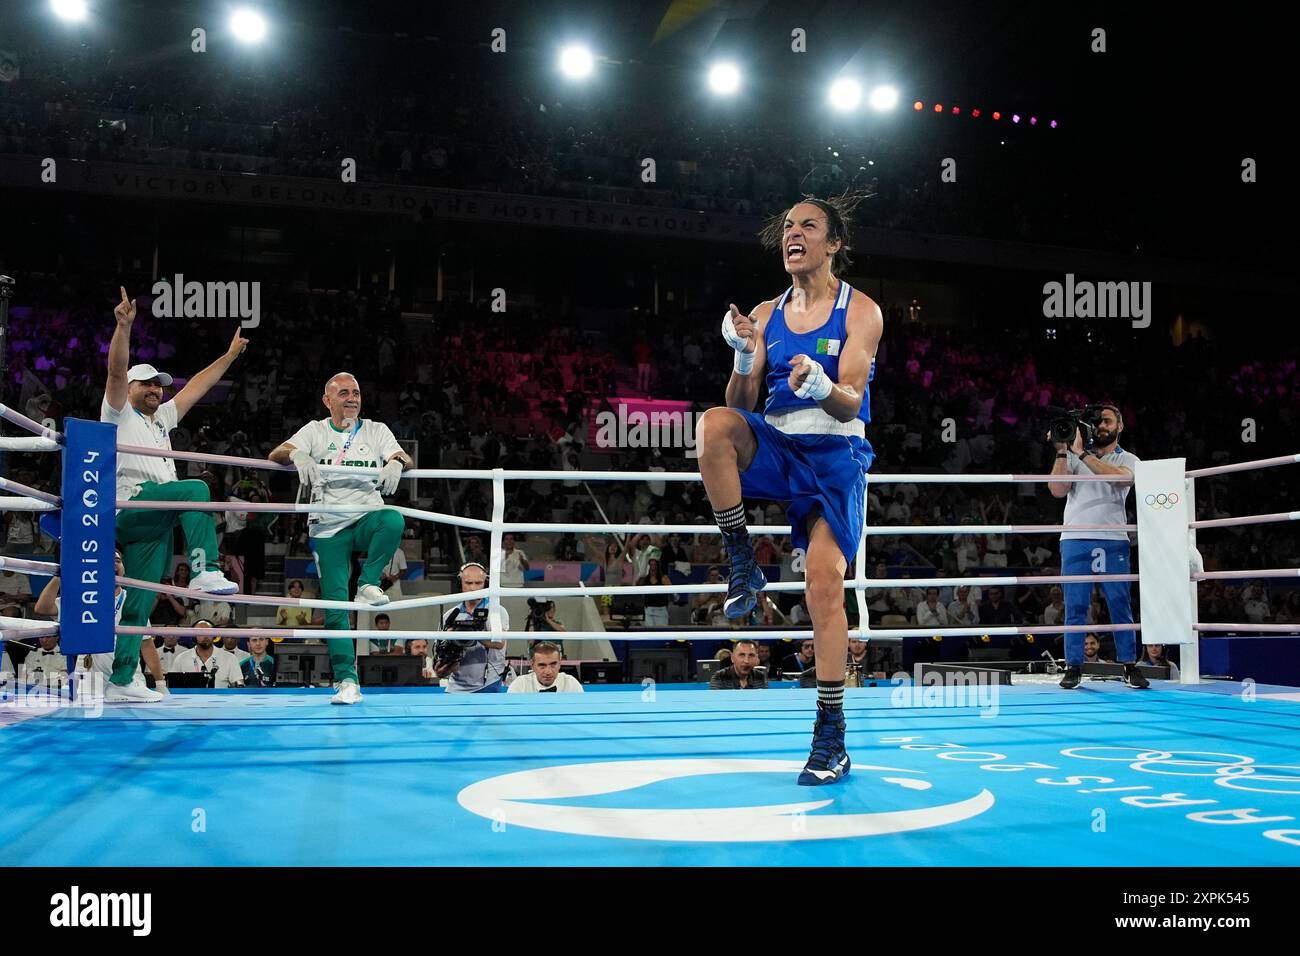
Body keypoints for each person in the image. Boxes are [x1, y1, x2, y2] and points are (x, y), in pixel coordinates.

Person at [699, 195, 881, 785]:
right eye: (787, 226)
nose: (792, 234)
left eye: (808, 226)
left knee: (824, 581)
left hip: (835, 454)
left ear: (833, 245)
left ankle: (831, 734)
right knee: (712, 425)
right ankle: (740, 559)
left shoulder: (863, 312)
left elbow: (851, 398)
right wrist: (743, 353)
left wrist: (823, 385)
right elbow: (740, 407)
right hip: (778, 445)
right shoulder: (765, 311)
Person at [102, 288, 241, 700]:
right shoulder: (117, 411)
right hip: (131, 505)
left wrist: (230, 356)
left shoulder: (161, 419)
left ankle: (122, 678)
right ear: (130, 388)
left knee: (140, 601)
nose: (156, 391)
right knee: (197, 487)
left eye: (159, 386)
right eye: (147, 384)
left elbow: (197, 386)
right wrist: (123, 327)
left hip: (155, 520)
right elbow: (114, 372)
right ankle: (204, 567)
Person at [269, 372, 413, 705]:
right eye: (344, 392)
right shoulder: (315, 430)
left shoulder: (376, 429)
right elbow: (277, 452)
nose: (352, 398)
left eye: (356, 392)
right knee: (335, 604)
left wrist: (397, 462)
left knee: (393, 519)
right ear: (328, 400)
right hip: (327, 527)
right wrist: (297, 455)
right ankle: (347, 680)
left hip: (365, 517)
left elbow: (403, 455)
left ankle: (368, 583)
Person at [1047, 404, 1148, 690]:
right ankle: (1073, 666)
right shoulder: (1074, 456)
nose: (1101, 426)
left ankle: (1129, 665)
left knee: (1119, 604)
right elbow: (1057, 491)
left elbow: (1119, 479)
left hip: (1113, 538)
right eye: (1097, 421)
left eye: (1107, 421)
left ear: (1120, 426)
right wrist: (1063, 450)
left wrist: (1081, 453)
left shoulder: (1128, 458)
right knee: (1076, 605)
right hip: (1075, 538)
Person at [33, 548, 161, 701]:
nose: (114, 565)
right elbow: (43, 608)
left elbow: (146, 645)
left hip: (128, 683)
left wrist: (160, 683)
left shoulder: (132, 602)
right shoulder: (84, 598)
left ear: (124, 570)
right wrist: (61, 576)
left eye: (118, 561)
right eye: (108, 561)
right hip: (88, 681)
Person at [435, 562, 511, 693]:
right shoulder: (450, 615)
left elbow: (499, 643)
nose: (473, 588)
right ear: (460, 584)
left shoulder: (496, 610)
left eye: (478, 583)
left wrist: (470, 634)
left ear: (485, 584)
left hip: (488, 684)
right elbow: (440, 661)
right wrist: (445, 665)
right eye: (468, 583)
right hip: (455, 686)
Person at [172, 622, 244, 688]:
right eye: (201, 633)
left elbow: (239, 687)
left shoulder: (230, 658)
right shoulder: (181, 658)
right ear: (194, 637)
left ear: (214, 635)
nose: (206, 636)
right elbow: (173, 686)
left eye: (209, 632)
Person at [507, 641, 584, 693]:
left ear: (560, 664)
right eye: (542, 666)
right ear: (532, 665)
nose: (548, 672)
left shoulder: (571, 684)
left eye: (553, 664)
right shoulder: (520, 685)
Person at [637, 557, 674, 627]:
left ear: (658, 566)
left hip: (661, 610)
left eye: (654, 565)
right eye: (651, 565)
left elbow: (674, 595)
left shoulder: (664, 578)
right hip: (648, 610)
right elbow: (637, 590)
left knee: (661, 634)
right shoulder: (644, 579)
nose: (653, 567)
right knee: (649, 633)